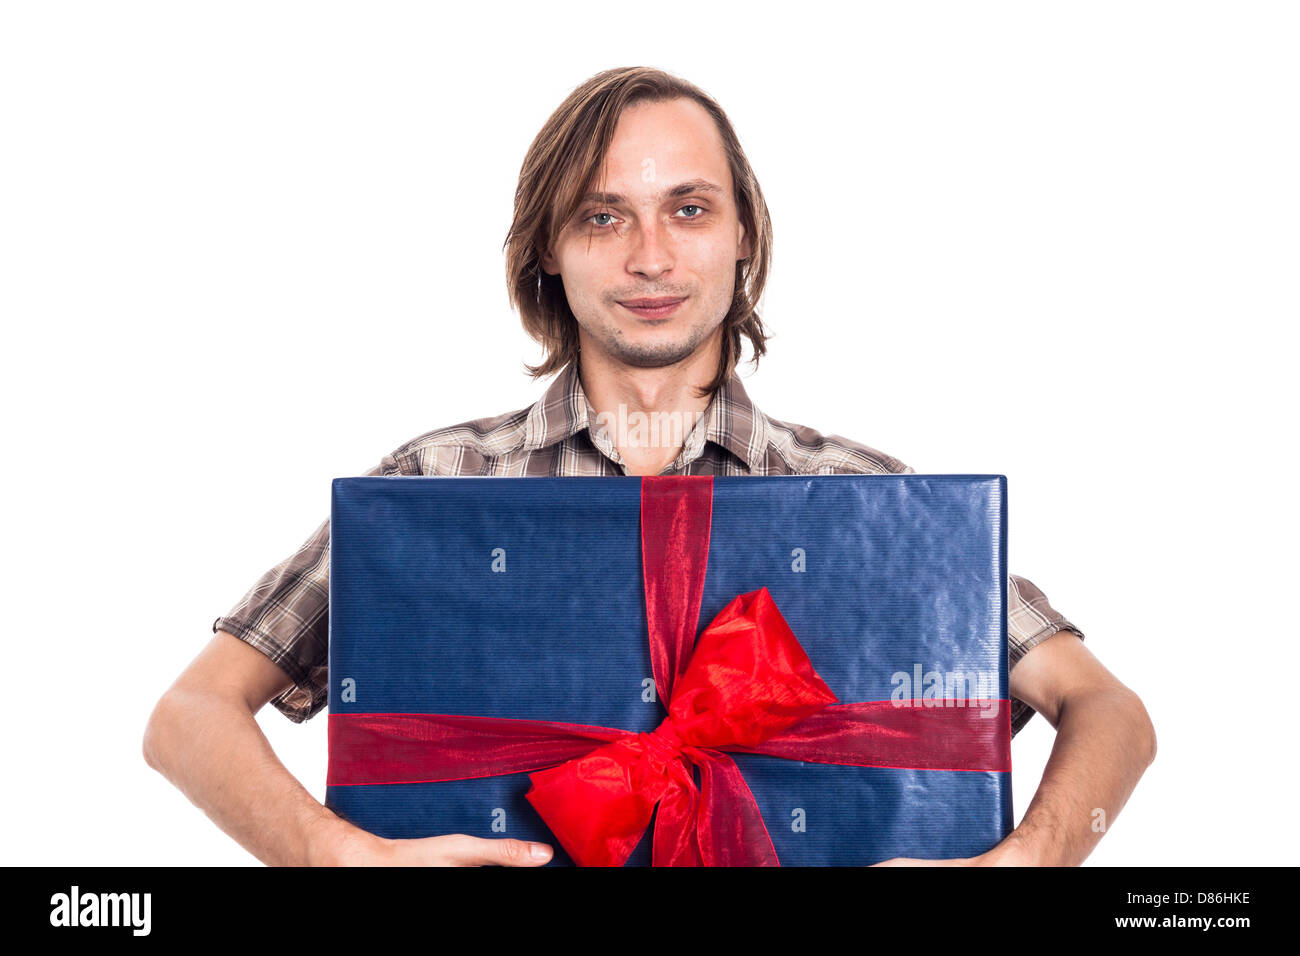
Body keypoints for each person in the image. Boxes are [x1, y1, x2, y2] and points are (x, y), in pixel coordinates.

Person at [143, 66, 1156, 867]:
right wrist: (328, 853)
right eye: (601, 215)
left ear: (742, 235)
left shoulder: (866, 498)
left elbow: (1107, 708)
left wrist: (1029, 861)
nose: (650, 258)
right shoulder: (435, 482)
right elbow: (189, 714)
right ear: (547, 246)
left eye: (688, 209)